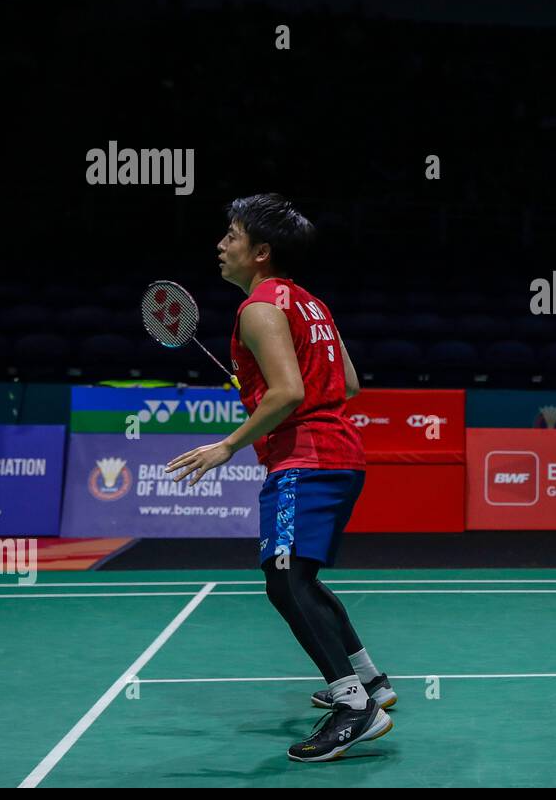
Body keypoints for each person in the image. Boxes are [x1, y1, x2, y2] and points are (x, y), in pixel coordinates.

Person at [168, 193, 395, 761]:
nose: (221, 246)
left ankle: (353, 709)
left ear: (261, 252)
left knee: (285, 580)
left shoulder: (259, 309)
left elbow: (289, 392)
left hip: (306, 461)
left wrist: (227, 445)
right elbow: (348, 385)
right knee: (301, 579)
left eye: (233, 236)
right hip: (341, 456)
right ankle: (371, 682)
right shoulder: (311, 303)